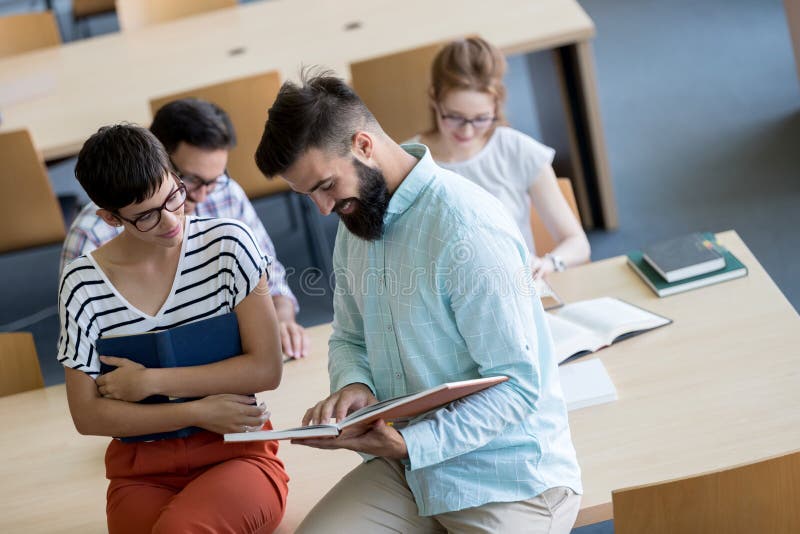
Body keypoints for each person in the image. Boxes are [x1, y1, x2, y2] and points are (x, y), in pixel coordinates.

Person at [254, 72, 582, 532]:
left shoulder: (467, 230)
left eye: (326, 185)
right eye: (308, 194)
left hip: (506, 478)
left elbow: (518, 388)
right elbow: (349, 337)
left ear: (364, 145)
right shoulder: (356, 225)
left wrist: (412, 444)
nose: (322, 209)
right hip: (409, 469)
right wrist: (355, 386)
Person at [57, 124, 288, 533]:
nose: (170, 221)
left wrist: (151, 383)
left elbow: (266, 368)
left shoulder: (230, 245)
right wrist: (196, 409)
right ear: (110, 217)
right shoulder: (82, 284)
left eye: (173, 196)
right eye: (145, 215)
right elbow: (88, 415)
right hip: (140, 472)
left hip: (237, 452)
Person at [60, 98, 309, 358]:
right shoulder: (90, 237)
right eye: (191, 180)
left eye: (213, 181)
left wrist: (281, 319)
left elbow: (271, 277)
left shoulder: (226, 193)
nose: (202, 196)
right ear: (159, 161)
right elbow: (90, 346)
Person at [413, 37, 590, 278]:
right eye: (454, 117)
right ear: (434, 99)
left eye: (480, 118)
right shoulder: (410, 161)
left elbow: (577, 242)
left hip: (513, 286)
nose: (466, 131)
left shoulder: (517, 150)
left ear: (496, 106)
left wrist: (548, 264)